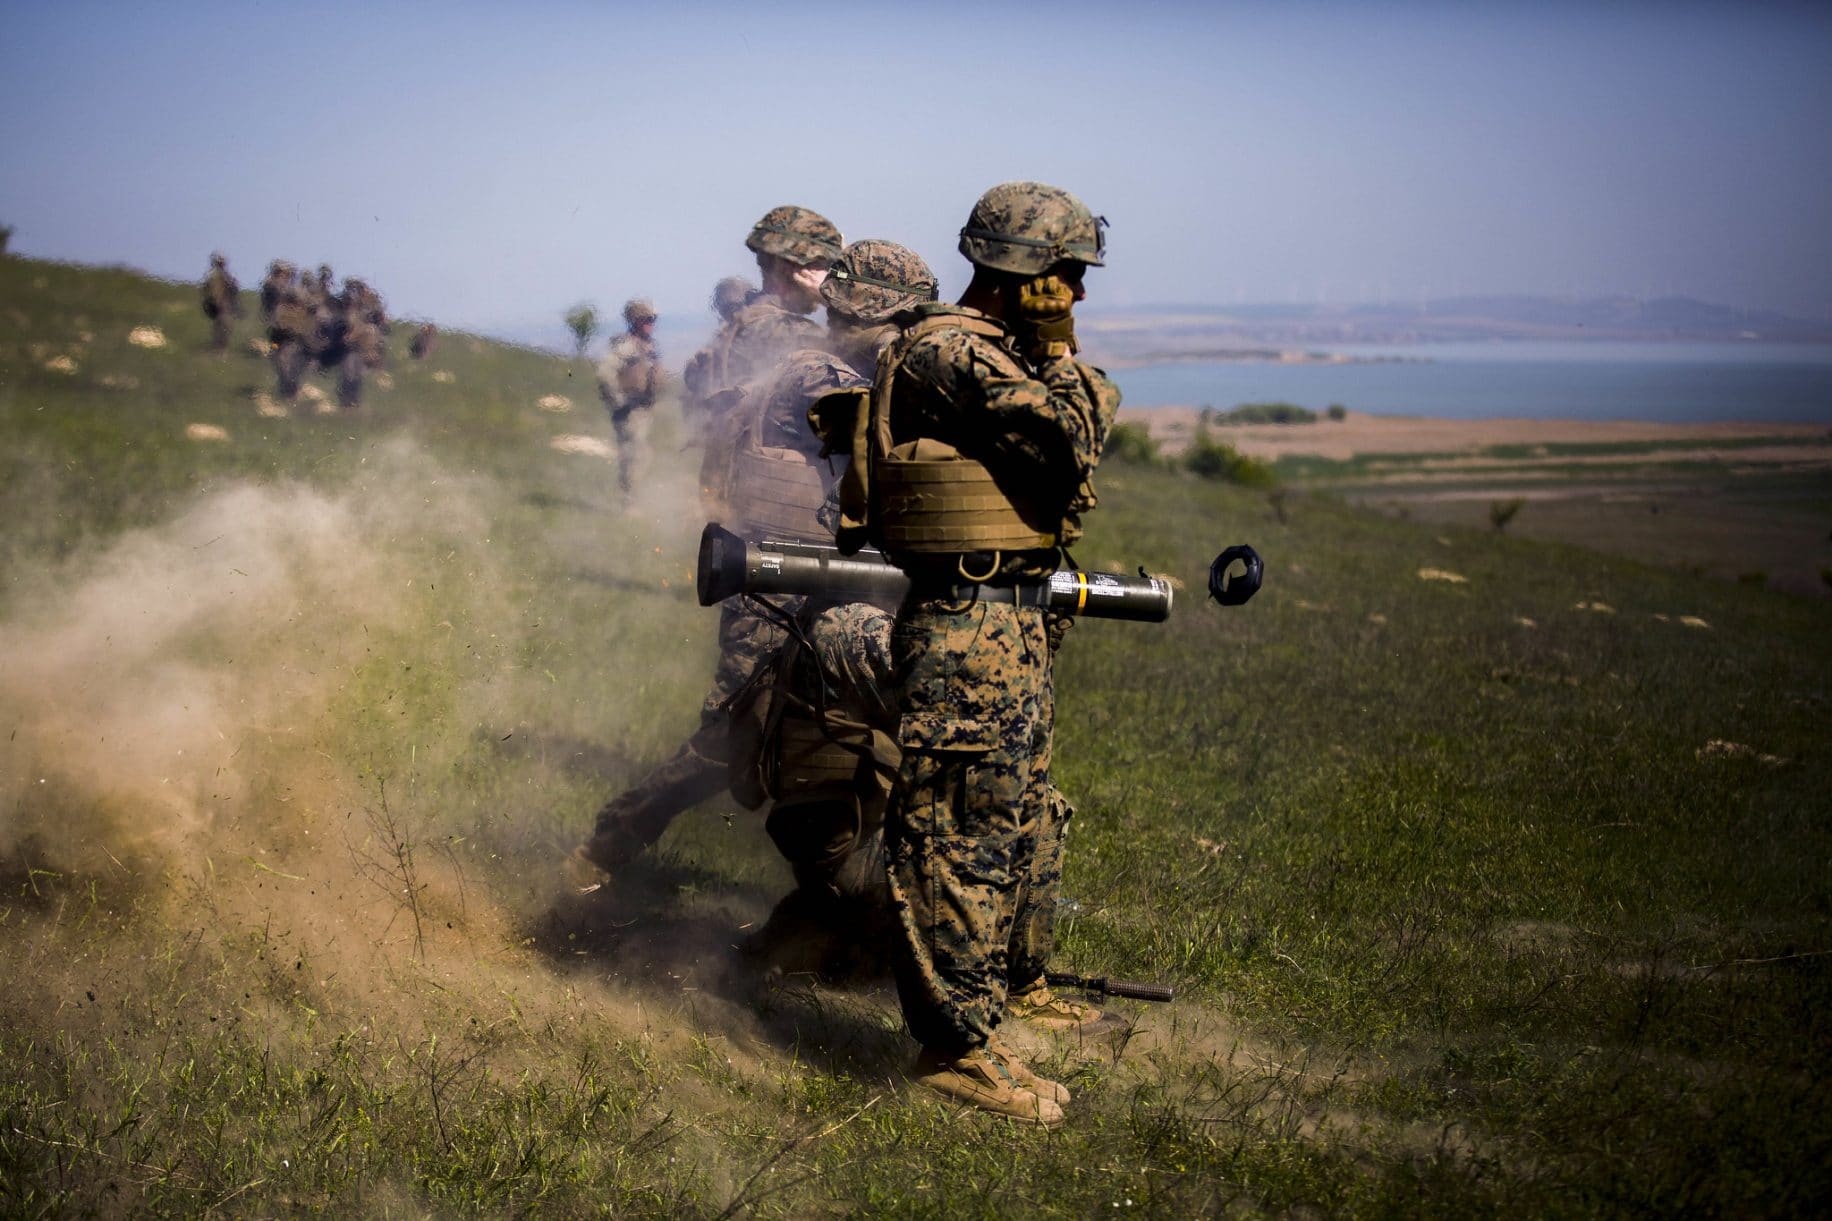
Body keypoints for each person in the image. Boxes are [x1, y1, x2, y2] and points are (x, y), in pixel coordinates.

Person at [842, 182, 1119, 1125]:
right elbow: (1071, 445)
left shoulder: (991, 351)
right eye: (1069, 275)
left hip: (1009, 619)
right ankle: (950, 1048)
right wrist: (1057, 355)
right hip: (965, 620)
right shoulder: (951, 352)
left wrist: (1048, 354)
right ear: (1026, 274)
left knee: (1007, 818)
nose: (1076, 295)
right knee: (956, 834)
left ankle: (990, 1011)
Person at [595, 298, 662, 502]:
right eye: (646, 319)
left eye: (653, 319)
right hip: (629, 410)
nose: (651, 323)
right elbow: (605, 372)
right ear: (635, 321)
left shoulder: (647, 346)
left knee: (641, 455)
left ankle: (632, 498)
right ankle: (629, 502)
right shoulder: (627, 346)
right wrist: (619, 401)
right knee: (634, 455)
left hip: (643, 409)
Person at [681, 275, 755, 425]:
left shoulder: (756, 332)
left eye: (736, 307)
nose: (733, 313)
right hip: (726, 420)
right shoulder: (721, 340)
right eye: (728, 308)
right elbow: (695, 383)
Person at [200, 253, 241, 354]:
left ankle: (220, 350)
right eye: (220, 262)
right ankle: (219, 350)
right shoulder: (214, 275)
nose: (222, 264)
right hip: (219, 307)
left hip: (225, 306)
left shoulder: (224, 275)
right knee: (222, 328)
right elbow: (212, 293)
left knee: (225, 328)